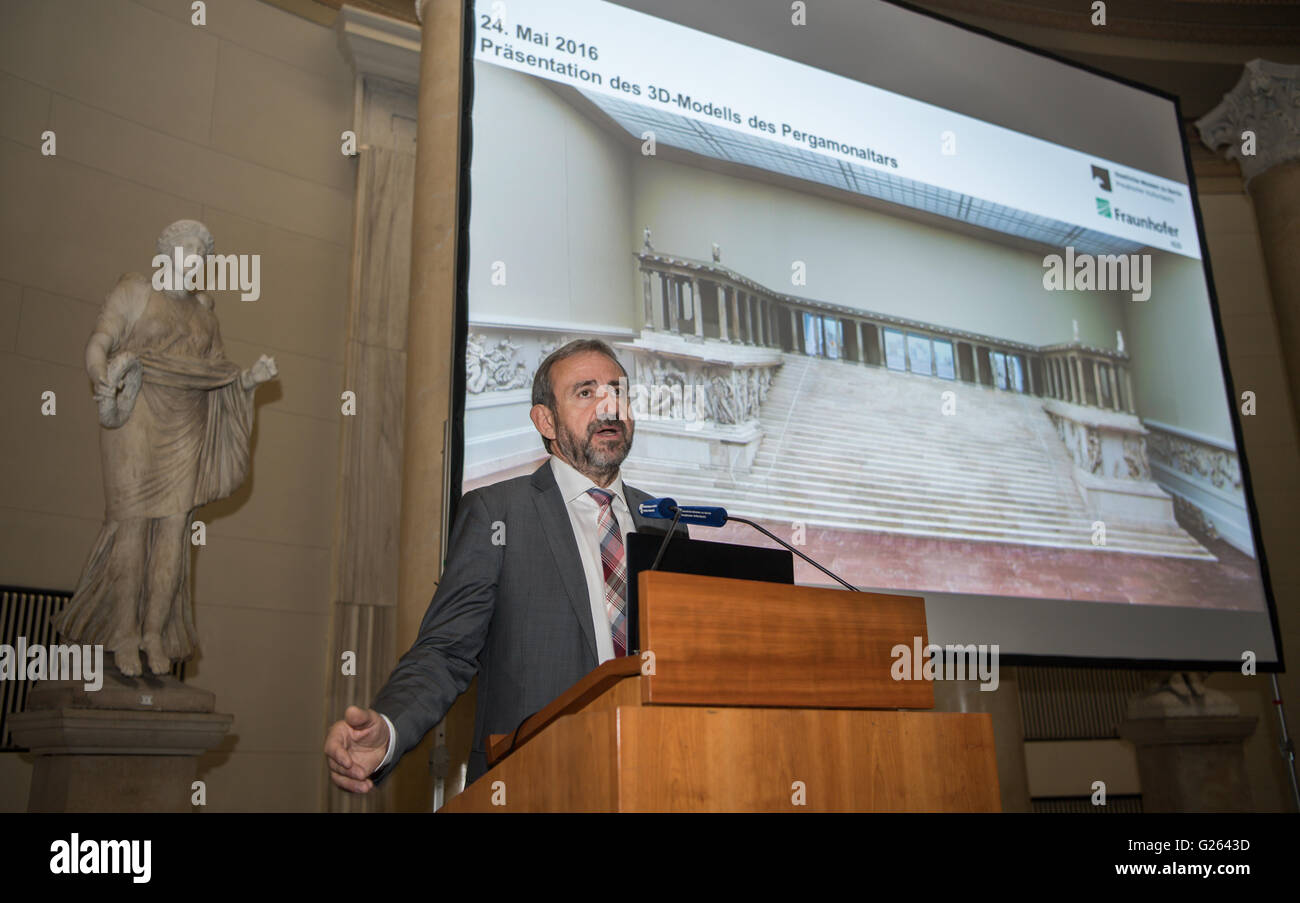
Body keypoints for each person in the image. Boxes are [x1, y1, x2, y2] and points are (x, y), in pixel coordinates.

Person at [324, 339, 686, 793]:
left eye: (618, 392)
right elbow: (446, 652)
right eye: (585, 392)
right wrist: (391, 728)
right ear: (545, 420)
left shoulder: (666, 523)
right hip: (533, 784)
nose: (609, 406)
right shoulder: (496, 513)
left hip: (659, 774)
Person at [54, 220, 277, 677]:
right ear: (166, 251)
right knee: (132, 524)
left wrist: (250, 380)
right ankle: (123, 633)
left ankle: (154, 632)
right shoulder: (134, 292)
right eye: (188, 247)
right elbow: (100, 341)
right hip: (136, 413)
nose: (195, 257)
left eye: (202, 251)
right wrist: (103, 378)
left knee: (175, 529)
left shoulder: (204, 315)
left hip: (186, 421)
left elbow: (218, 378)